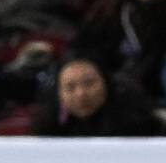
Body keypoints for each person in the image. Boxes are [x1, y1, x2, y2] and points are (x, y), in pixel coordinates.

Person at [31, 53, 159, 136]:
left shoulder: (135, 120)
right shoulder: (47, 126)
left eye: (89, 83)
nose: (81, 94)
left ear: (106, 83)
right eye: (70, 87)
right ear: (59, 94)